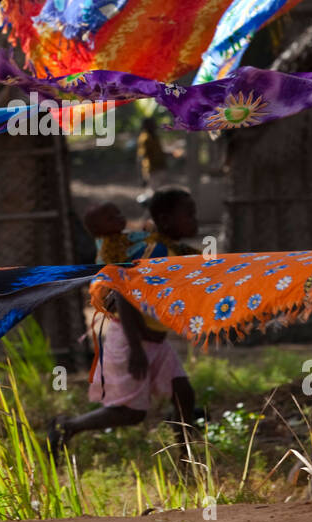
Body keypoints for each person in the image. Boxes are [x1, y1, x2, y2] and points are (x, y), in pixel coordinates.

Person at [50, 188, 201, 461]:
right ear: (166, 220)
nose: (195, 220)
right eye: (188, 215)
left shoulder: (169, 248)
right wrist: (135, 348)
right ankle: (67, 427)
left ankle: (186, 459)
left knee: (184, 394)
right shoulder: (153, 251)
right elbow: (123, 294)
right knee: (131, 413)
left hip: (155, 340)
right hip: (131, 339)